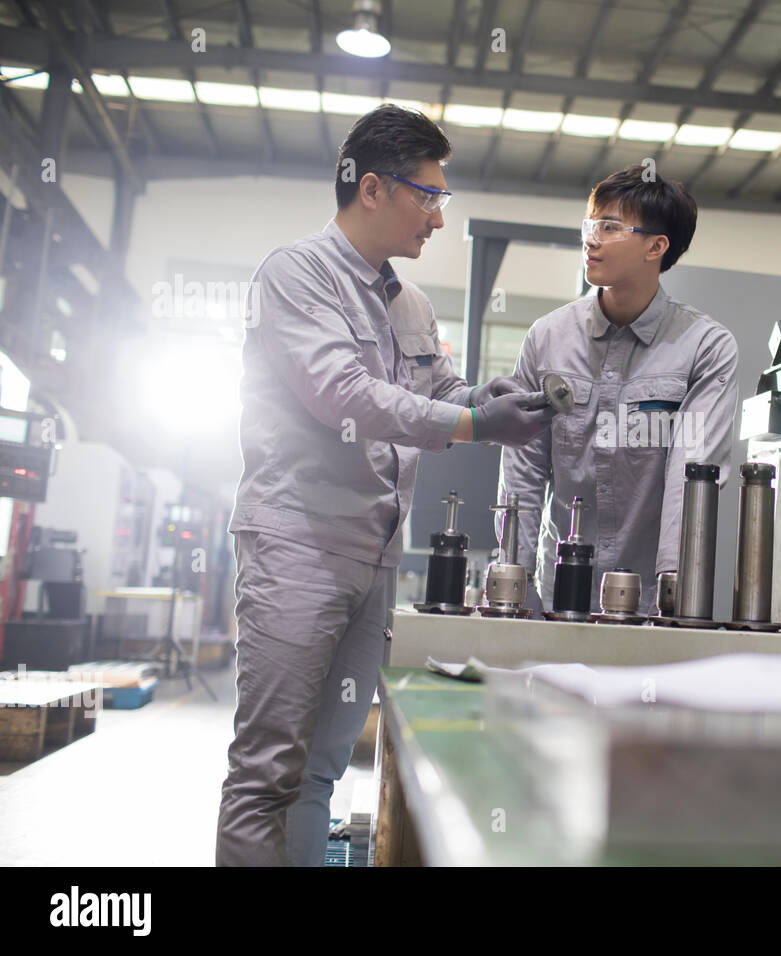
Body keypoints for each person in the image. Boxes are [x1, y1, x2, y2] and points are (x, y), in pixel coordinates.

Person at [217, 105, 549, 867]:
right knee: (268, 771)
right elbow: (345, 395)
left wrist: (483, 399)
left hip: (374, 556)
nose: (437, 217)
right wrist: (474, 426)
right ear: (373, 189)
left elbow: (438, 388)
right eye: (427, 195)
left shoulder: (411, 303)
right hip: (297, 547)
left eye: (442, 198)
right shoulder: (294, 274)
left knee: (322, 772)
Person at [499, 165, 739, 616]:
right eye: (591, 225)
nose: (591, 239)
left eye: (610, 227)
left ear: (656, 246)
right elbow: (523, 471)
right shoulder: (547, 338)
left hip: (650, 599)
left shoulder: (704, 347)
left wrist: (673, 590)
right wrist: (514, 577)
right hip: (557, 592)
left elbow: (692, 477)